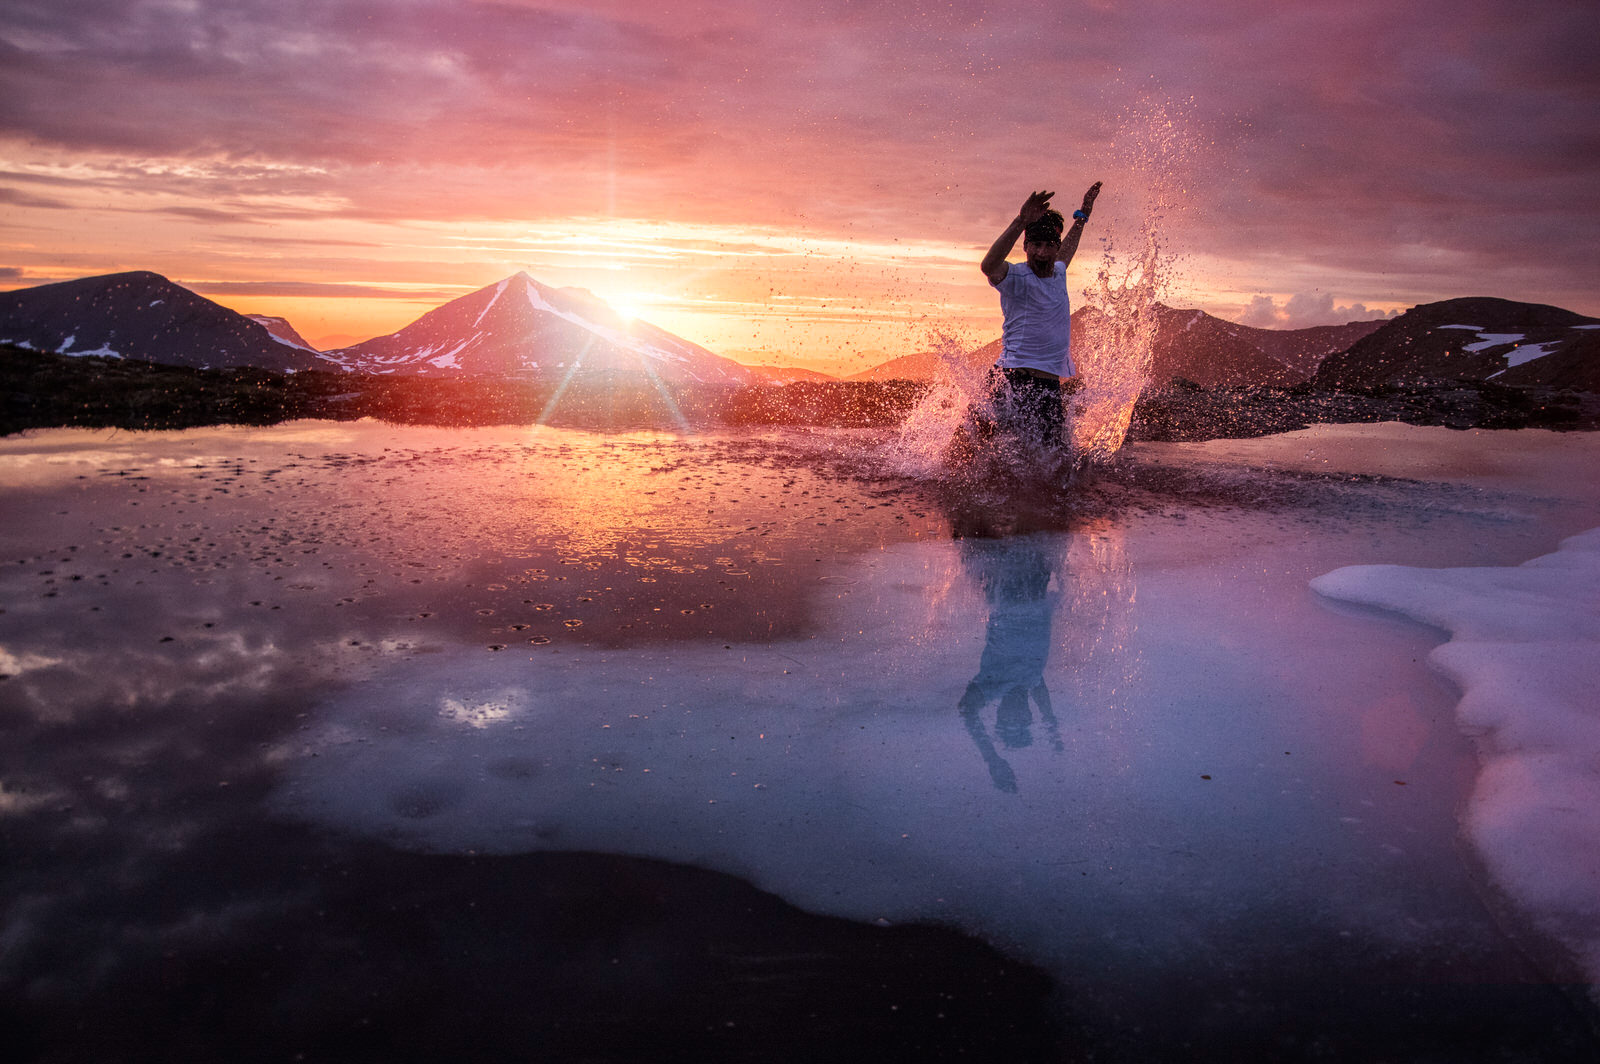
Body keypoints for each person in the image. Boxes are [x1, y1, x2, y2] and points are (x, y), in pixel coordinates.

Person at [974, 183, 1101, 452]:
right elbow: (988, 266)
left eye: (1048, 246)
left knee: (1052, 461)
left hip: (1047, 387)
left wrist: (1083, 214)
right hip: (1010, 380)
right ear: (1026, 246)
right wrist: (1020, 221)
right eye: (1036, 245)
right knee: (969, 448)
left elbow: (1069, 248)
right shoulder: (1015, 277)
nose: (1042, 252)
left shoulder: (1058, 272)